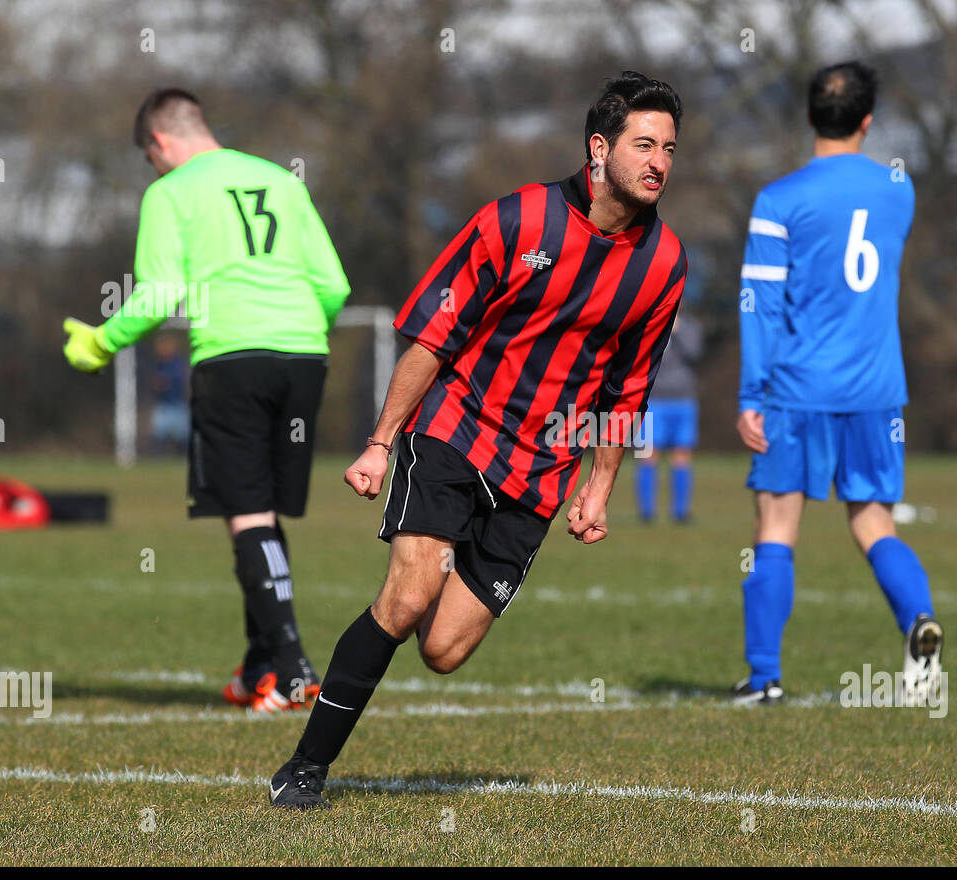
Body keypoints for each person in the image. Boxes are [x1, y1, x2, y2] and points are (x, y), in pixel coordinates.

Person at [266, 71, 687, 809]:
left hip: (543, 468)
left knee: (443, 650)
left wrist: (599, 485)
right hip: (457, 429)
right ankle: (303, 771)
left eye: (670, 150)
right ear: (599, 148)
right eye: (644, 144)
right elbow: (433, 338)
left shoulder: (665, 264)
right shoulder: (517, 221)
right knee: (405, 600)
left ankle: (440, 554)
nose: (659, 162)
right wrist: (379, 441)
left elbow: (629, 388)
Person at [61, 87, 351, 712]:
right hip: (305, 356)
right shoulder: (282, 180)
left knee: (245, 512)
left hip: (232, 359)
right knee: (264, 513)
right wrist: (297, 329)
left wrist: (100, 343)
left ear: (161, 142)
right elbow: (334, 284)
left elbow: (159, 291)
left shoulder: (171, 191)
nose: (154, 169)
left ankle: (295, 667)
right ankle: (260, 667)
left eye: (150, 158)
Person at [734, 61, 941, 706]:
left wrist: (750, 393)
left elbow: (760, 306)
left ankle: (764, 678)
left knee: (775, 525)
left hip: (797, 388)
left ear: (808, 117)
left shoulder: (779, 199)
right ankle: (918, 625)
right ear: (869, 121)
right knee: (875, 521)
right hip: (879, 391)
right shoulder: (898, 191)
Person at [634, 313, 703, 522]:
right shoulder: (648, 322)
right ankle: (647, 512)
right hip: (651, 400)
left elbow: (695, 353)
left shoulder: (691, 325)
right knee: (647, 455)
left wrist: (677, 329)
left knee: (681, 455)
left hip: (683, 400)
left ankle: (680, 513)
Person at [147, 335, 189, 456]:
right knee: (159, 437)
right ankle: (158, 463)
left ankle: (182, 460)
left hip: (176, 405)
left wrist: (164, 382)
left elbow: (178, 379)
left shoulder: (177, 363)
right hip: (163, 405)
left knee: (182, 438)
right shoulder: (159, 364)